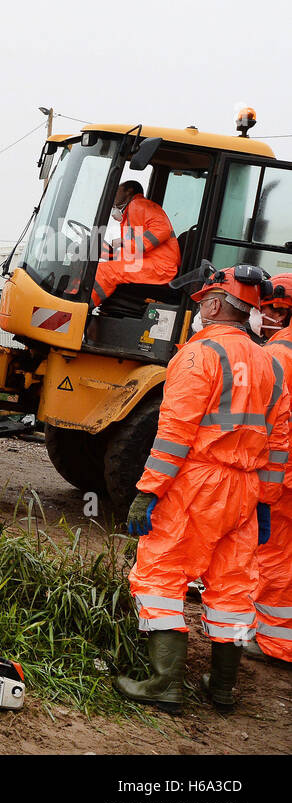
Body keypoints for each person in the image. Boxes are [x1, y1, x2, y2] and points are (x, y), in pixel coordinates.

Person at [117, 265, 290, 712]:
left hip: (197, 485)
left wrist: (147, 491)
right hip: (245, 491)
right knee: (233, 586)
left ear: (214, 305)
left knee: (161, 574)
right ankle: (222, 687)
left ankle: (165, 684)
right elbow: (278, 439)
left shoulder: (198, 355)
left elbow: (174, 434)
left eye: (200, 304)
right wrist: (266, 502)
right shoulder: (269, 360)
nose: (197, 312)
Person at [250, 275, 292, 664]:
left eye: (266, 309)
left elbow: (271, 424)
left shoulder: (279, 353)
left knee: (276, 555)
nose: (260, 316)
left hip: (286, 477)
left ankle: (275, 642)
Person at [91, 181, 180, 308]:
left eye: (117, 190)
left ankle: (79, 308)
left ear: (129, 191)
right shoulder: (131, 212)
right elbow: (132, 248)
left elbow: (162, 228)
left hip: (161, 268)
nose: (113, 195)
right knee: (98, 267)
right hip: (152, 265)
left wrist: (126, 244)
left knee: (104, 271)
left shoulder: (138, 205)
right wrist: (112, 254)